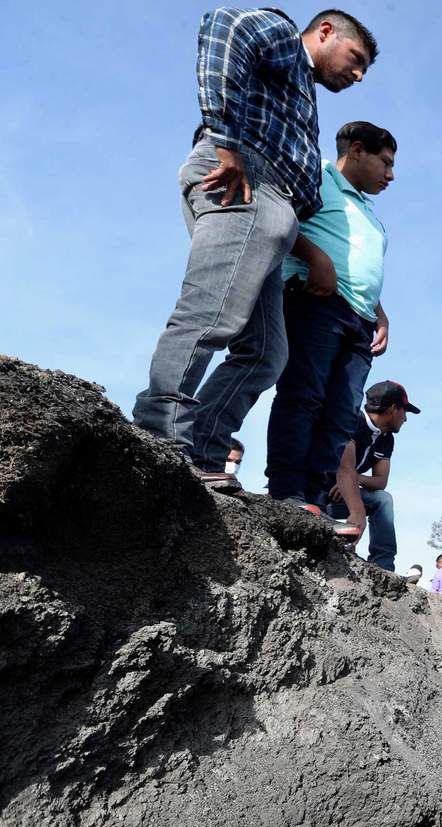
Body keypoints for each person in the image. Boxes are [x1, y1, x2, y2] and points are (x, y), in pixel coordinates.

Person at [132, 9, 378, 491]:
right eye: (356, 58)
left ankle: (204, 444)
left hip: (272, 206)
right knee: (211, 312)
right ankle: (161, 433)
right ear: (326, 32)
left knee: (267, 352)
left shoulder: (300, 89)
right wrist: (226, 145)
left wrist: (305, 248)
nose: (359, 74)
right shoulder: (284, 38)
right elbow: (226, 26)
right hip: (246, 180)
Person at [265, 121, 395, 510]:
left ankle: (315, 500)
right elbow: (278, 216)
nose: (391, 175)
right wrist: (314, 257)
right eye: (385, 162)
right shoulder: (316, 175)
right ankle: (286, 492)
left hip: (361, 322)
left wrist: (382, 315)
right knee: (304, 396)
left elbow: (362, 270)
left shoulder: (369, 211)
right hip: (317, 300)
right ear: (356, 150)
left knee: (341, 415)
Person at [327, 380, 418, 566]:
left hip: (343, 495)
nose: (406, 419)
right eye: (404, 411)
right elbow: (344, 467)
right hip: (318, 492)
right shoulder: (353, 421)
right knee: (358, 509)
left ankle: (383, 564)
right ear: (394, 408)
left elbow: (380, 481)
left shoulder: (386, 439)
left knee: (382, 499)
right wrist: (349, 484)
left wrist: (354, 479)